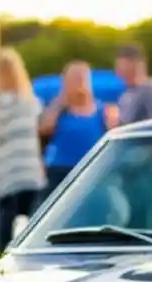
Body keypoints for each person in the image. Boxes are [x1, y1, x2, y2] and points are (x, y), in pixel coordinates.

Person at [0, 46, 46, 255]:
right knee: (30, 237)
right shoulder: (31, 102)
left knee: (0, 243)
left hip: (4, 174)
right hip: (30, 173)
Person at [39, 61, 112, 200]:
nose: (79, 83)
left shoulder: (102, 110)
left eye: (82, 78)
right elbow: (44, 130)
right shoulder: (58, 110)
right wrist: (60, 102)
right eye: (74, 79)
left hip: (92, 169)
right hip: (61, 171)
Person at [114, 44, 152, 126]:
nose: (118, 72)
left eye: (121, 65)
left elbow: (150, 125)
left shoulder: (147, 92)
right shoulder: (127, 92)